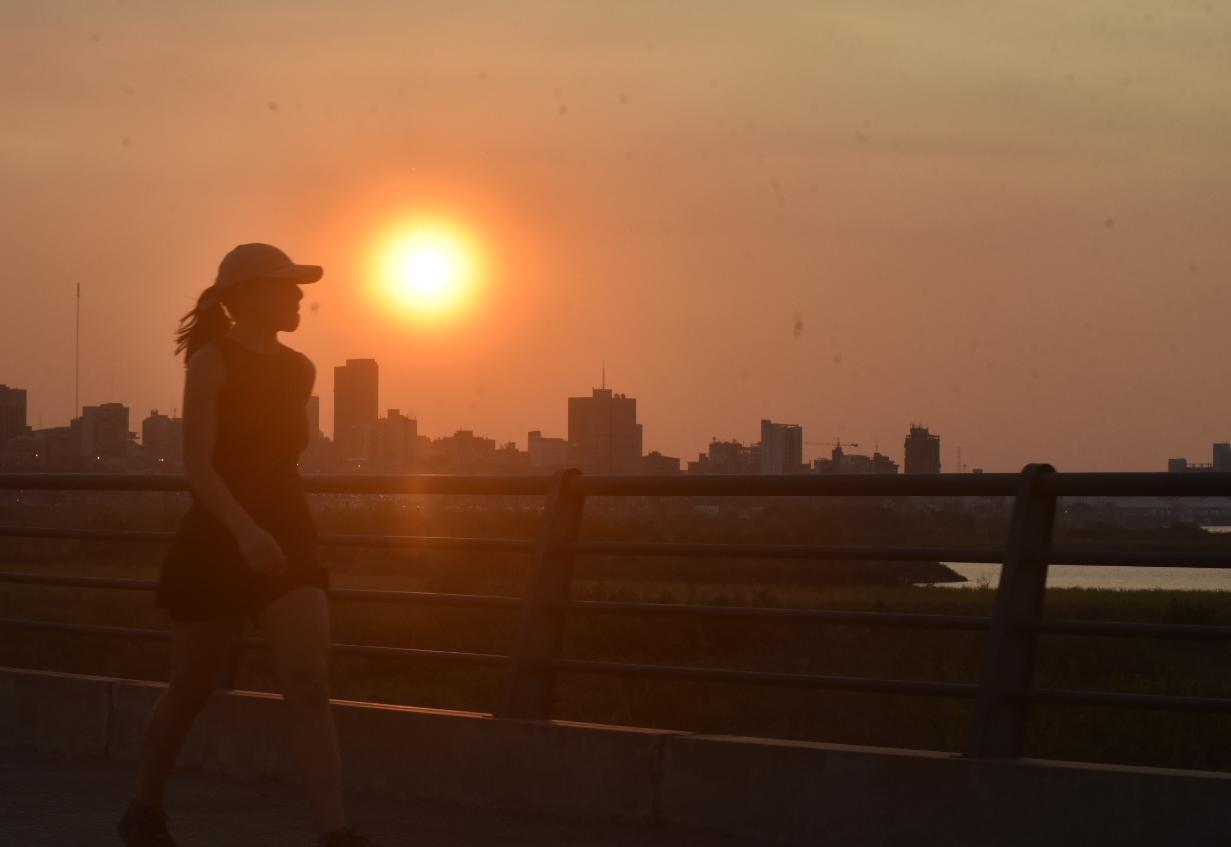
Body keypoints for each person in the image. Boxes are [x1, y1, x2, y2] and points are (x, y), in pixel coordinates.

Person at [116, 243, 380, 847]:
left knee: (308, 679)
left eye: (298, 286)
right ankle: (143, 811)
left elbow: (283, 458)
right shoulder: (211, 362)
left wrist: (270, 528)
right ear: (250, 293)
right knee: (191, 688)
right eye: (286, 286)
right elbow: (199, 466)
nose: (298, 296)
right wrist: (245, 530)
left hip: (288, 531)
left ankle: (333, 832)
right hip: (217, 537)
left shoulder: (301, 368)